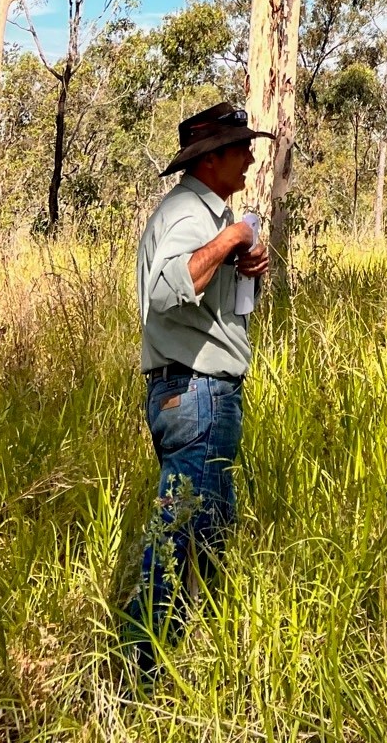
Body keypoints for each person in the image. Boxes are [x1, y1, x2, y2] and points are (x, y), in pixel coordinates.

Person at [126, 101, 274, 665]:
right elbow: (168, 288)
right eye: (241, 150)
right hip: (196, 394)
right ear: (211, 159)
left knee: (205, 536)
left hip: (192, 393)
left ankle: (195, 658)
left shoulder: (197, 214)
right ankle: (141, 670)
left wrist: (239, 259)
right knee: (178, 534)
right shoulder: (191, 212)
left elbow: (196, 294)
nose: (249, 160)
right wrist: (230, 239)